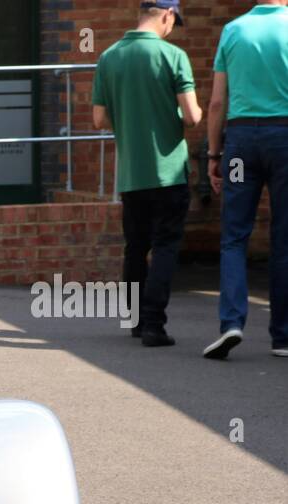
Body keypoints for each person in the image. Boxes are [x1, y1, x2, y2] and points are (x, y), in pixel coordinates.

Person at [92, 0, 202, 348]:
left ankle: (135, 321)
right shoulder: (173, 57)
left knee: (135, 246)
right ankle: (154, 324)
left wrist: (128, 123)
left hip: (131, 174)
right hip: (169, 171)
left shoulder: (109, 57)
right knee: (166, 246)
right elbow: (193, 116)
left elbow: (98, 119)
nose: (173, 28)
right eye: (174, 21)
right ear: (167, 15)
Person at [203, 1, 288, 360]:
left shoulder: (233, 30)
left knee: (234, 236)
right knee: (283, 238)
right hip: (284, 140)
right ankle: (282, 337)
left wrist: (213, 154)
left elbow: (217, 102)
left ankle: (232, 323)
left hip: (239, 145)